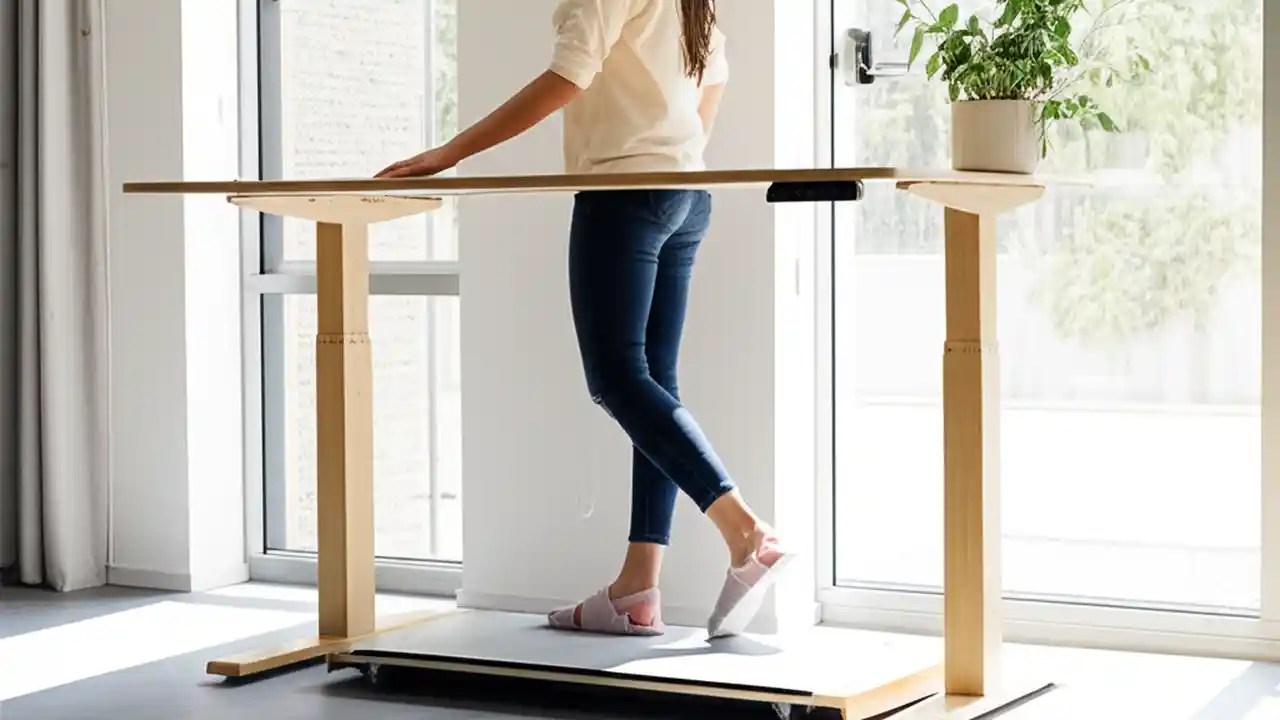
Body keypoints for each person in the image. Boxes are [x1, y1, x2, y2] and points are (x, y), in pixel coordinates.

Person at [375, 0, 793, 639]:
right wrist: (674, 154)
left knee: (617, 379)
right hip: (686, 194)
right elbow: (714, 82)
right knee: (653, 386)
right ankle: (637, 587)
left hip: (624, 197)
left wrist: (451, 150)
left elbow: (568, 75)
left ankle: (745, 531)